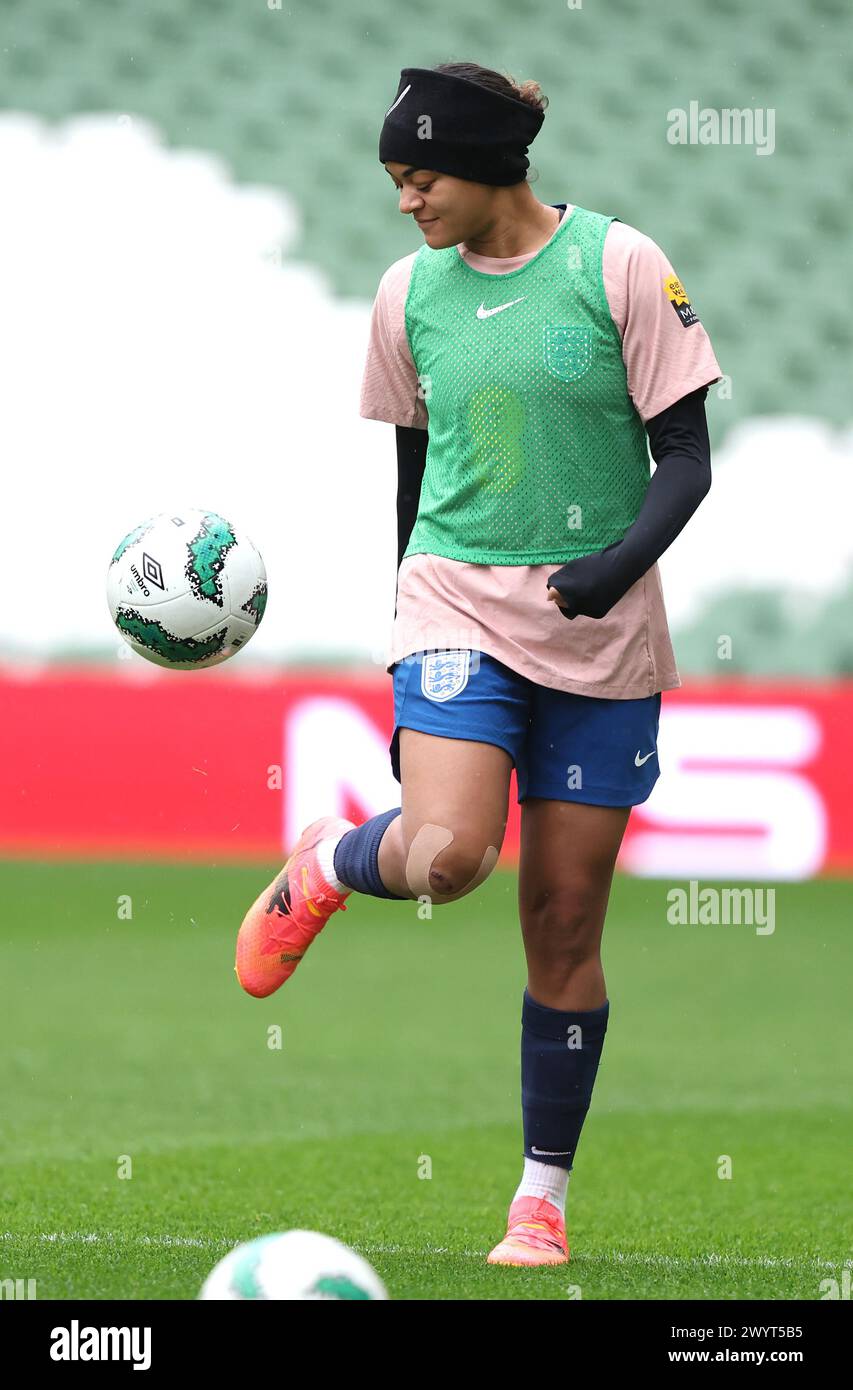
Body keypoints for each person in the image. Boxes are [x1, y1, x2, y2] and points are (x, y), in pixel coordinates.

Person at [235, 60, 722, 1268]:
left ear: (493, 164)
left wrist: (612, 569)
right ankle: (338, 861)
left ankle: (539, 1199)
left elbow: (686, 461)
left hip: (600, 626)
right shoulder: (407, 295)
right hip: (453, 601)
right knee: (448, 855)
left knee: (561, 922)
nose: (406, 200)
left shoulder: (618, 267)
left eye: (422, 175)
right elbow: (409, 483)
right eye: (397, 179)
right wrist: (401, 623)